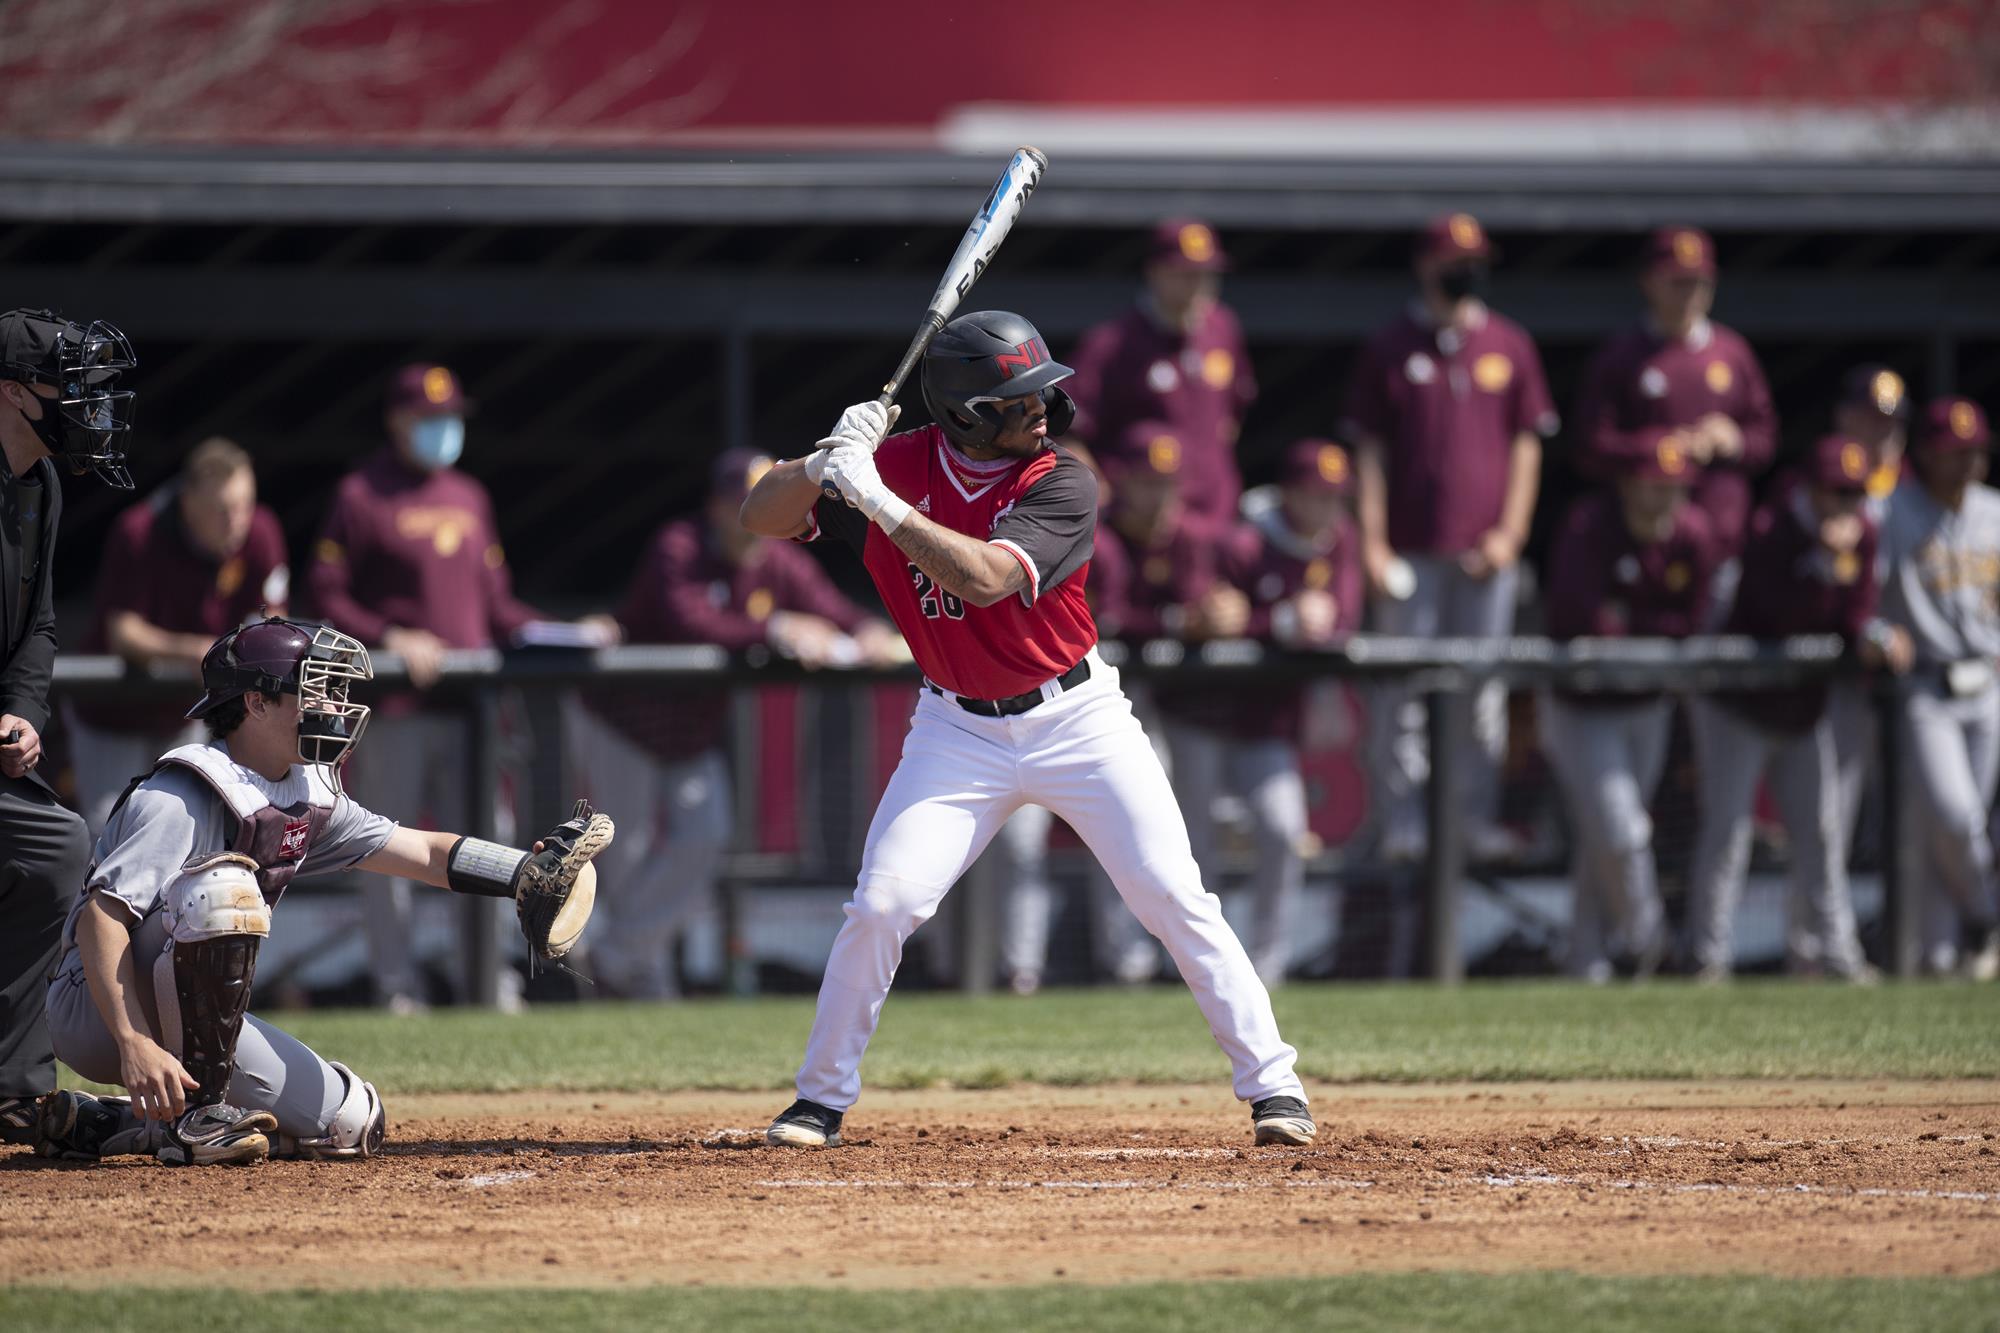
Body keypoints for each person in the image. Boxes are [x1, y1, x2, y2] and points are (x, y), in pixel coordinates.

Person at [740, 309, 1313, 1148]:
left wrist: (873, 497)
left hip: (1077, 718)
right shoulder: (895, 463)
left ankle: (1275, 1087)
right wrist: (821, 460)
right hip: (954, 731)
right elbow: (762, 513)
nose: (1041, 408)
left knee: (1171, 894)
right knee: (883, 902)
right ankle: (819, 1098)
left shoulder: (1063, 481)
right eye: (1018, 397)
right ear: (967, 409)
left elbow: (981, 581)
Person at [35, 616, 608, 1166]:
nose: (333, 705)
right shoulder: (179, 794)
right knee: (223, 886)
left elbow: (424, 852)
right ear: (255, 703)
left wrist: (519, 874)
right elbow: (100, 919)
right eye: (314, 690)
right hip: (97, 1008)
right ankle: (197, 1122)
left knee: (353, 1123)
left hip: (181, 1012)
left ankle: (108, 1124)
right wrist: (133, 1041)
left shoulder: (306, 791)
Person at [305, 363, 614, 1011]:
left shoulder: (470, 495)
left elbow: (496, 605)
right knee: (383, 849)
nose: (443, 429)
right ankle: (396, 988)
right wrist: (392, 635)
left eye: (450, 417)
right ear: (397, 419)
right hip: (395, 708)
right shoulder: (361, 493)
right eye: (428, 417)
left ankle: (489, 982)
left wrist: (566, 630)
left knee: (488, 844)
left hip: (473, 712)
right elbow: (326, 593)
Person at [564, 447, 901, 998]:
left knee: (705, 837)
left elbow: (834, 608)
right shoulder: (680, 545)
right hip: (623, 720)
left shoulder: (778, 558)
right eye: (743, 501)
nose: (756, 512)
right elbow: (689, 621)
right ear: (718, 507)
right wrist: (771, 630)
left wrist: (864, 630)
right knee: (622, 857)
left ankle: (615, 957)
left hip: (691, 731)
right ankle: (637, 978)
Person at [1343, 212, 1558, 862]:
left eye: (1475, 259)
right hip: (1408, 554)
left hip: (1482, 560)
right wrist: (1373, 543)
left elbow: (1528, 443)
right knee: (1402, 697)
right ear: (1426, 265)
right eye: (1453, 261)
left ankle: (1470, 822)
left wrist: (1512, 533)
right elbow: (1369, 451)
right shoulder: (1390, 345)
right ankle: (1404, 825)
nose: (1465, 272)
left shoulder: (1509, 343)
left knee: (1480, 698)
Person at [0, 308, 135, 1145]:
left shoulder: (40, 484)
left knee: (53, 847)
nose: (89, 410)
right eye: (68, 389)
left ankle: (14, 1086)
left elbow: (38, 626)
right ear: (13, 393)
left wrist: (21, 707)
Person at [1165, 438, 1363, 985]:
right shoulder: (1243, 542)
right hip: (1203, 714)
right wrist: (1275, 624)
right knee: (1193, 846)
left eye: (1334, 497)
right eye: (1313, 495)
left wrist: (1320, 624)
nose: (1324, 508)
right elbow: (1208, 618)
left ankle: (1267, 965)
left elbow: (1345, 614)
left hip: (1270, 720)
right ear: (1288, 494)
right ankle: (1193, 966)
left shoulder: (1340, 539)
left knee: (1282, 829)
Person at [1683, 434, 1880, 982]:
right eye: (1834, 492)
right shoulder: (1773, 528)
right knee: (1727, 832)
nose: (1844, 504)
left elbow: (1857, 610)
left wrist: (1869, 631)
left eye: (1853, 493)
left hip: (1801, 711)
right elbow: (1772, 615)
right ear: (1811, 489)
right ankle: (1708, 959)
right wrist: (1821, 557)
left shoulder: (1862, 533)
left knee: (1820, 832)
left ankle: (1839, 954)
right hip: (1739, 706)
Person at [1538, 430, 1717, 982]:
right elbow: (1581, 623)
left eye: (1674, 485)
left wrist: (1642, 629)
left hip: (1648, 706)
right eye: (1651, 485)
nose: (1663, 496)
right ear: (1627, 485)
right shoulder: (1590, 526)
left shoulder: (1693, 533)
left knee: (1606, 838)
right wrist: (1648, 630)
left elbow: (1695, 622)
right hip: (1580, 707)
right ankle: (1650, 944)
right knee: (1620, 830)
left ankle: (1586, 957)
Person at [66, 437, 289, 835]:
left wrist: (235, 653)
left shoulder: (261, 530)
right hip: (110, 715)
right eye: (223, 510)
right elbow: (124, 633)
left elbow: (272, 620)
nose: (237, 520)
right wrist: (195, 651)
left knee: (183, 833)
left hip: (187, 713)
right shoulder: (138, 530)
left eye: (244, 505)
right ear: (189, 502)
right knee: (110, 836)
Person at [1872, 396, 2000, 979]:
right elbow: (1857, 593)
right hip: (1927, 683)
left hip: (1988, 681)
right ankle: (1985, 913)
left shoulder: (1993, 511)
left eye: (1973, 452)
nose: (1965, 464)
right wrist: (1875, 630)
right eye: (1953, 453)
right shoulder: (1890, 511)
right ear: (1924, 453)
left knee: (1948, 835)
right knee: (1955, 817)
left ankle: (1942, 958)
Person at [1574, 226, 1777, 568]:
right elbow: (1590, 446)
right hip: (1640, 542)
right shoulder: (1621, 356)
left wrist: (1734, 440)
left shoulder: (1733, 352)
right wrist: (1661, 449)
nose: (1689, 294)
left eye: (1699, 283)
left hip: (1721, 536)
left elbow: (1766, 438)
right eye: (1677, 281)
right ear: (1649, 282)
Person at [1062, 219, 1257, 536]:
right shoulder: (1113, 344)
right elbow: (1066, 430)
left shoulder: (1224, 328)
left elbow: (1233, 411)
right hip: (1140, 530)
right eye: (1185, 274)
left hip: (1213, 517)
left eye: (1206, 274)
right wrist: (1100, 492)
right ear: (1155, 272)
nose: (1197, 285)